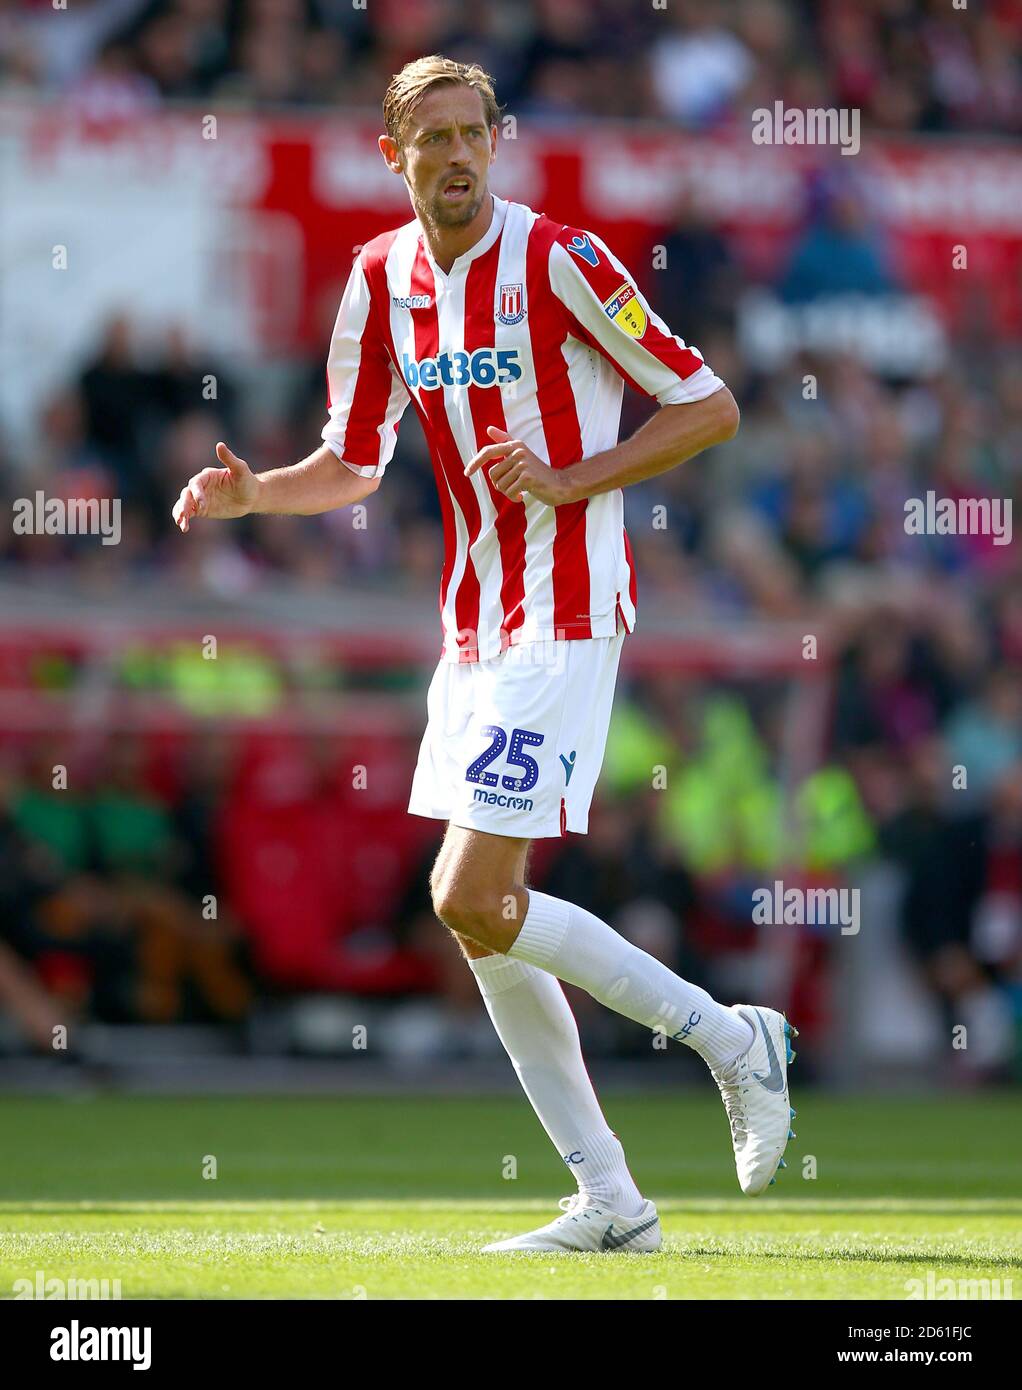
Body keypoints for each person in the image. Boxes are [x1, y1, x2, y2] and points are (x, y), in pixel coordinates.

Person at [172, 54, 797, 1254]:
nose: (457, 155)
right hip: (471, 628)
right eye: (433, 137)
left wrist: (572, 478)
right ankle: (609, 1200)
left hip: (564, 617)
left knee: (466, 892)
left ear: (497, 142)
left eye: (474, 133)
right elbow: (355, 458)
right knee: (479, 918)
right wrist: (257, 496)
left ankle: (729, 1037)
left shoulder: (560, 259)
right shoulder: (376, 281)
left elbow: (705, 403)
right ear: (390, 151)